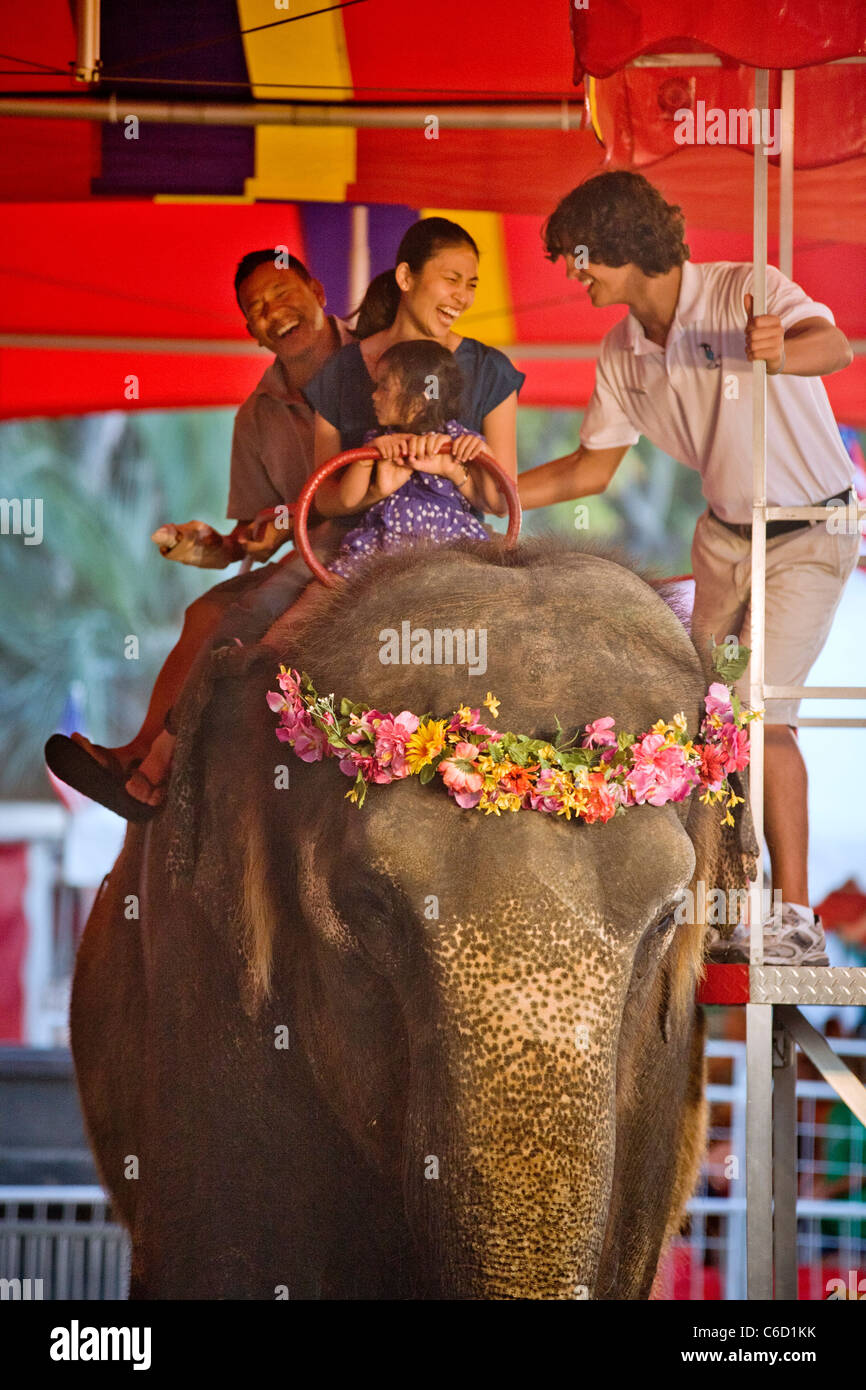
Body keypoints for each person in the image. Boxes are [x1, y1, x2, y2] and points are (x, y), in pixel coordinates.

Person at [518, 170, 859, 967]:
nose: (574, 274)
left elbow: (834, 347)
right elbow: (587, 472)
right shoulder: (621, 351)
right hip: (725, 539)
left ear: (619, 243)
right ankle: (729, 899)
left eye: (579, 256)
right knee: (703, 709)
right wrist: (491, 494)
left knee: (756, 710)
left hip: (809, 532)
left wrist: (780, 347)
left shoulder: (747, 289)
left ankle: (797, 920)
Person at [45, 248, 353, 818]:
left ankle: (161, 762)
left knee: (249, 611)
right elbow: (257, 534)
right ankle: (134, 758)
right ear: (252, 333)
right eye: (258, 308)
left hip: (376, 542)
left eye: (284, 293)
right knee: (205, 613)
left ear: (317, 290)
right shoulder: (256, 415)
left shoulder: (380, 354)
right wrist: (214, 546)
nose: (275, 311)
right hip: (310, 556)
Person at [305, 216, 524, 523]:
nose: (463, 297)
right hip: (356, 548)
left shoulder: (491, 370)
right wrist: (375, 490)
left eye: (471, 285)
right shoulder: (341, 370)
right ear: (406, 277)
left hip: (458, 551)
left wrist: (456, 469)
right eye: (452, 279)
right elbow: (323, 497)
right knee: (289, 574)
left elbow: (501, 502)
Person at [326, 339, 490, 579]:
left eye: (384, 387)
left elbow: (491, 496)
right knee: (321, 594)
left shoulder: (456, 440)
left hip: (449, 549)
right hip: (382, 547)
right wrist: (367, 457)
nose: (374, 396)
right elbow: (349, 499)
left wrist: (479, 450)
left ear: (418, 401)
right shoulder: (378, 441)